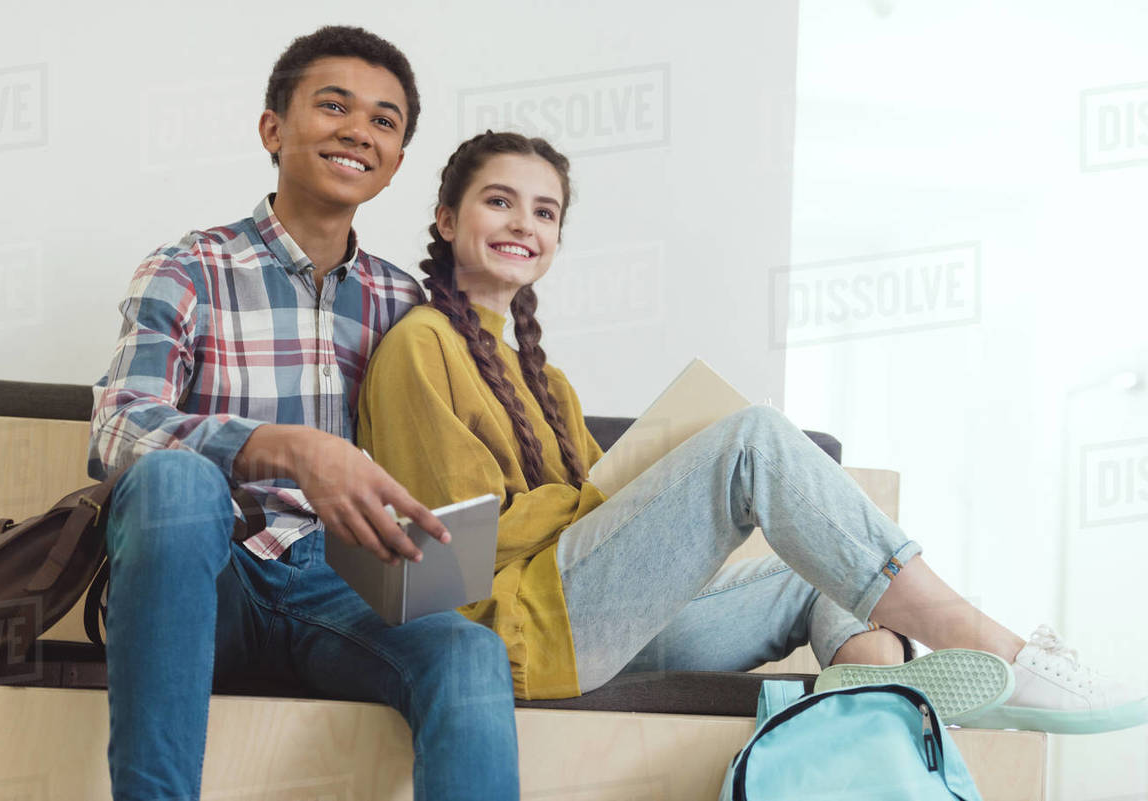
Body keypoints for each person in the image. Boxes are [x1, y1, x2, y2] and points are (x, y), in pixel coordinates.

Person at [356, 130, 1148, 734]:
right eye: (500, 201)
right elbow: (454, 537)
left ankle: (879, 707)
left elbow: (595, 512)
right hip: (518, 630)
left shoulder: (544, 375)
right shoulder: (419, 344)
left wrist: (634, 488)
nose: (523, 223)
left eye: (545, 210)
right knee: (757, 435)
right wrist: (626, 496)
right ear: (446, 217)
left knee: (825, 572)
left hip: (601, 622)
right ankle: (997, 648)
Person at [89, 28, 519, 801]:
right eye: (334, 106)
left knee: (467, 649)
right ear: (273, 129)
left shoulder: (408, 307)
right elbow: (119, 428)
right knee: (174, 485)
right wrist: (282, 447)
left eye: (385, 122)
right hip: (210, 578)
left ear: (393, 164)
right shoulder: (188, 268)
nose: (360, 130)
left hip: (341, 592)